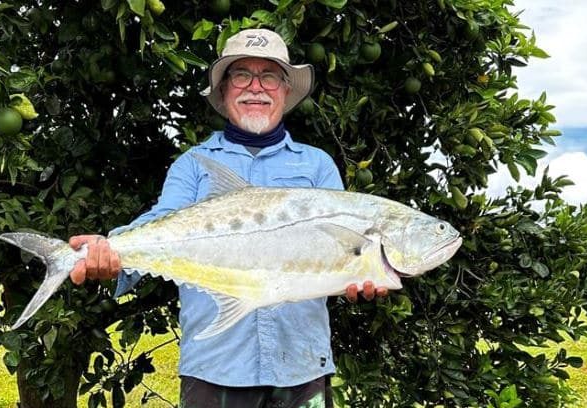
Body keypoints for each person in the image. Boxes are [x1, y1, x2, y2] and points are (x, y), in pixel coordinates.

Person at [68, 29, 388, 408]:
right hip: (215, 366)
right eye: (242, 76)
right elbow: (162, 223)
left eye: (269, 76)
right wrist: (110, 249)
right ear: (223, 91)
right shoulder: (193, 166)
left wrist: (362, 273)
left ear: (285, 91)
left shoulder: (317, 166)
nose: (256, 88)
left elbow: (343, 256)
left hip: (302, 367)